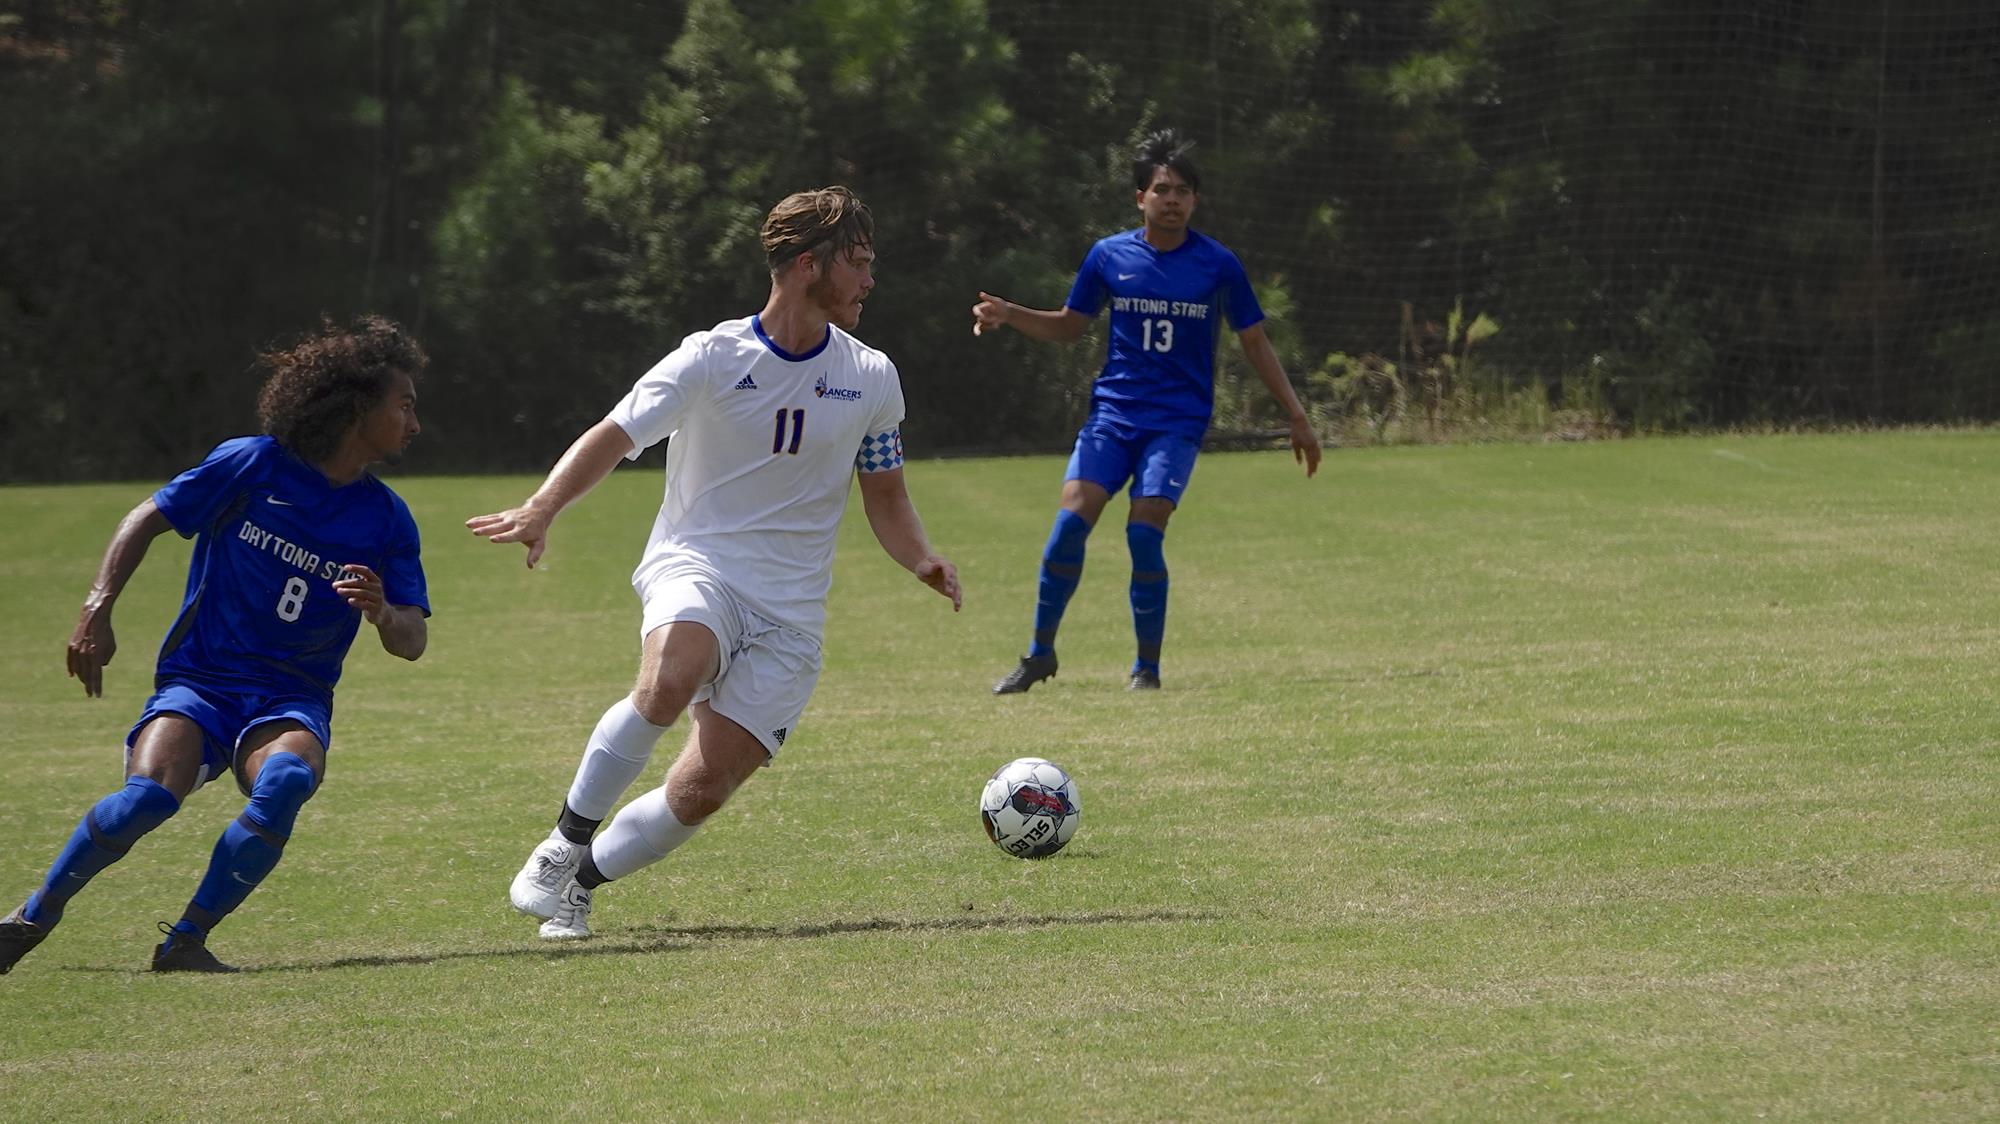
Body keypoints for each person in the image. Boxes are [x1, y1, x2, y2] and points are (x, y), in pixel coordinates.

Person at [469, 185, 961, 942]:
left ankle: (581, 882)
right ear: (807, 266)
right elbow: (615, 434)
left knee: (700, 790)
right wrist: (543, 507)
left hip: (791, 613)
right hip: (699, 565)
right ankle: (564, 839)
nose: (869, 281)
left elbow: (886, 496)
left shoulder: (872, 378)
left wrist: (921, 558)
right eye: (857, 265)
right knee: (669, 680)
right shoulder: (710, 357)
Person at [0, 316, 431, 975]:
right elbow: (147, 517)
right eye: (403, 405)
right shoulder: (252, 464)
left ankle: (185, 942)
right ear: (356, 407)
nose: (414, 422)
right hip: (202, 682)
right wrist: (97, 609)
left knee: (285, 781)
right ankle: (29, 921)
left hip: (291, 696)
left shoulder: (387, 517)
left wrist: (381, 613)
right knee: (145, 799)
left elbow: (413, 641)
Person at [972, 128, 1322, 693]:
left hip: (1177, 423)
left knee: (1143, 534)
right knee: (1066, 530)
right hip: (1114, 417)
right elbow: (1070, 326)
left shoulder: (1218, 265)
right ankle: (1039, 654)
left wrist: (1297, 415)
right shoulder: (1109, 256)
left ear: (1195, 200)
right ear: (1141, 197)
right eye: (1162, 189)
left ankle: (1147, 670)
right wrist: (1011, 314)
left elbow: (1255, 341)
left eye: (1183, 189)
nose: (1173, 199)